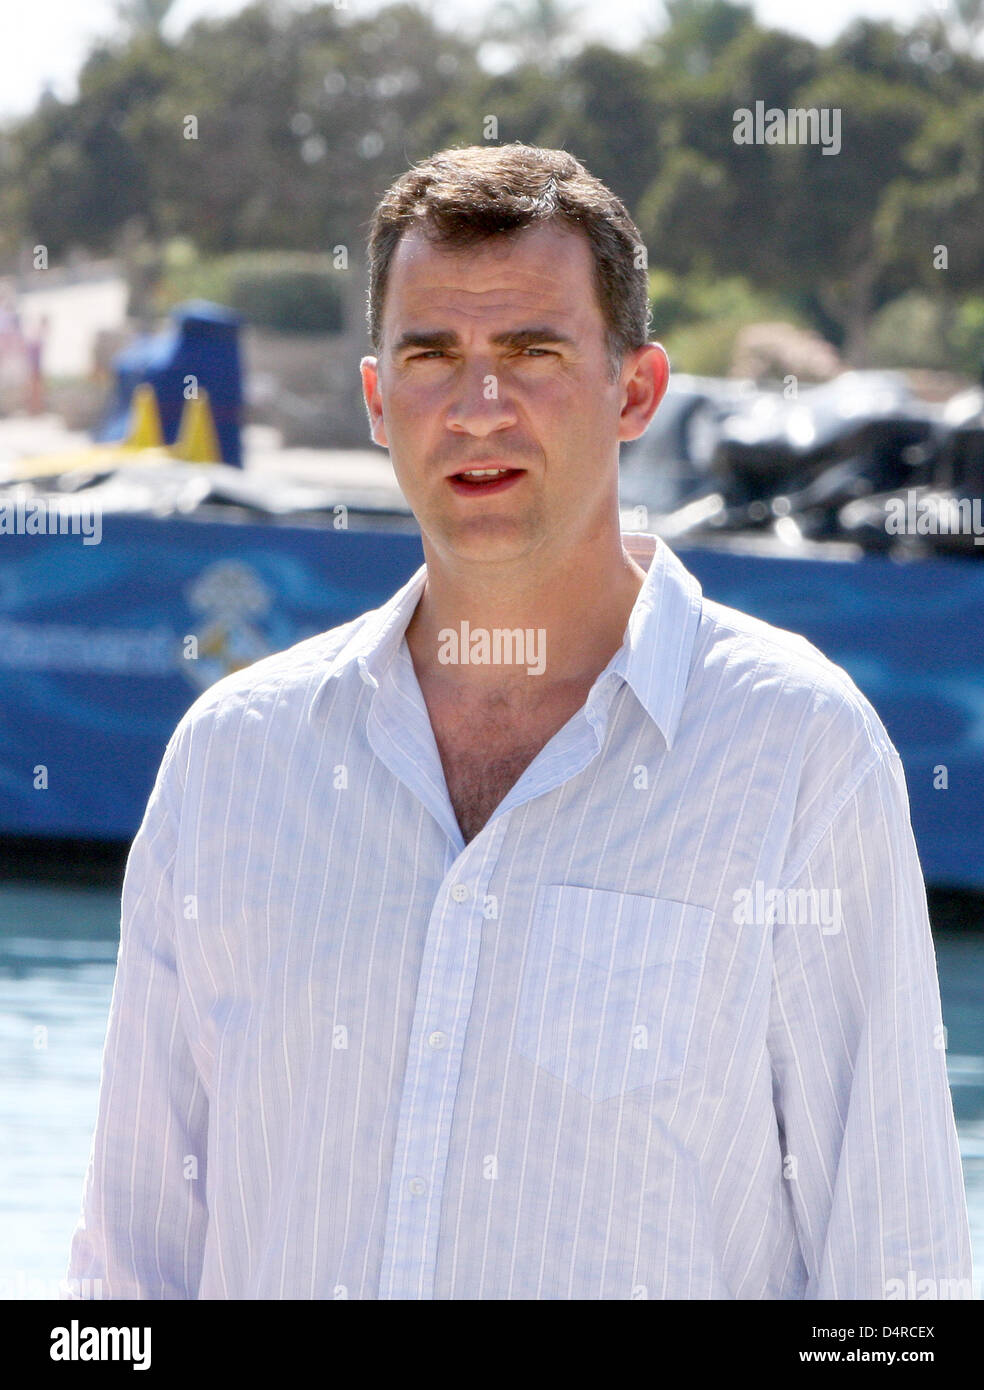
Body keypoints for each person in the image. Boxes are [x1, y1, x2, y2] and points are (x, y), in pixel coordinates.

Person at [66, 143, 972, 1300]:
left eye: (533, 353)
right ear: (378, 400)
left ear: (635, 389)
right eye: (433, 355)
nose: (479, 407)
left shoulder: (796, 753)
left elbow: (895, 1280)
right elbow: (127, 1274)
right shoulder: (232, 762)